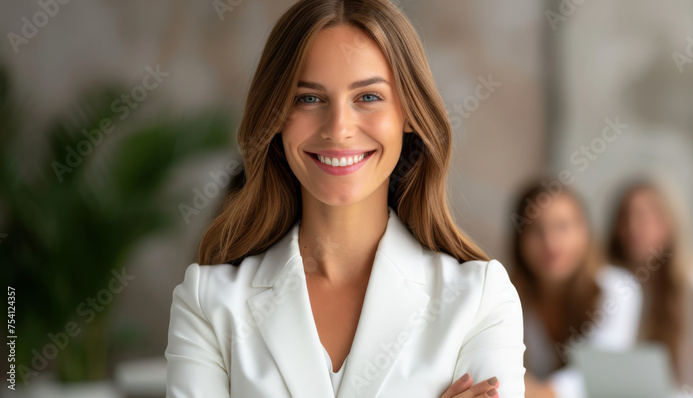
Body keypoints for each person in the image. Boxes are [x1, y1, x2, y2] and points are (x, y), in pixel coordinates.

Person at [164, 1, 525, 397]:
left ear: (408, 113)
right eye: (308, 98)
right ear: (275, 117)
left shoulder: (480, 300)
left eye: (368, 97)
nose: (338, 129)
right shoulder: (208, 302)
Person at [510, 182, 642, 398]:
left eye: (562, 227)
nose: (550, 242)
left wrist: (542, 392)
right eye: (535, 229)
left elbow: (603, 372)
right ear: (519, 241)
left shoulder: (618, 288)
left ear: (585, 232)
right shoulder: (510, 297)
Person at [606, 180, 693, 384]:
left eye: (647, 216)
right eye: (626, 216)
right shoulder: (607, 285)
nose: (634, 226)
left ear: (670, 222)